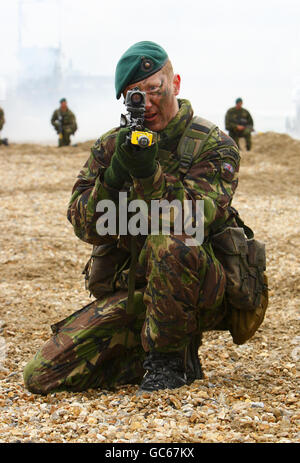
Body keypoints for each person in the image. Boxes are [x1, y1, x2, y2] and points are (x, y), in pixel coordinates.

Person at [24, 41, 264, 396]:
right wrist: (116, 173)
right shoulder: (111, 146)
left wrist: (149, 173)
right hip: (137, 287)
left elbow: (196, 216)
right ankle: (155, 349)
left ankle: (167, 364)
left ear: (176, 84)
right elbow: (83, 223)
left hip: (199, 287)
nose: (147, 101)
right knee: (41, 376)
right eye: (135, 94)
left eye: (155, 89)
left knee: (170, 239)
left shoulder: (213, 144)